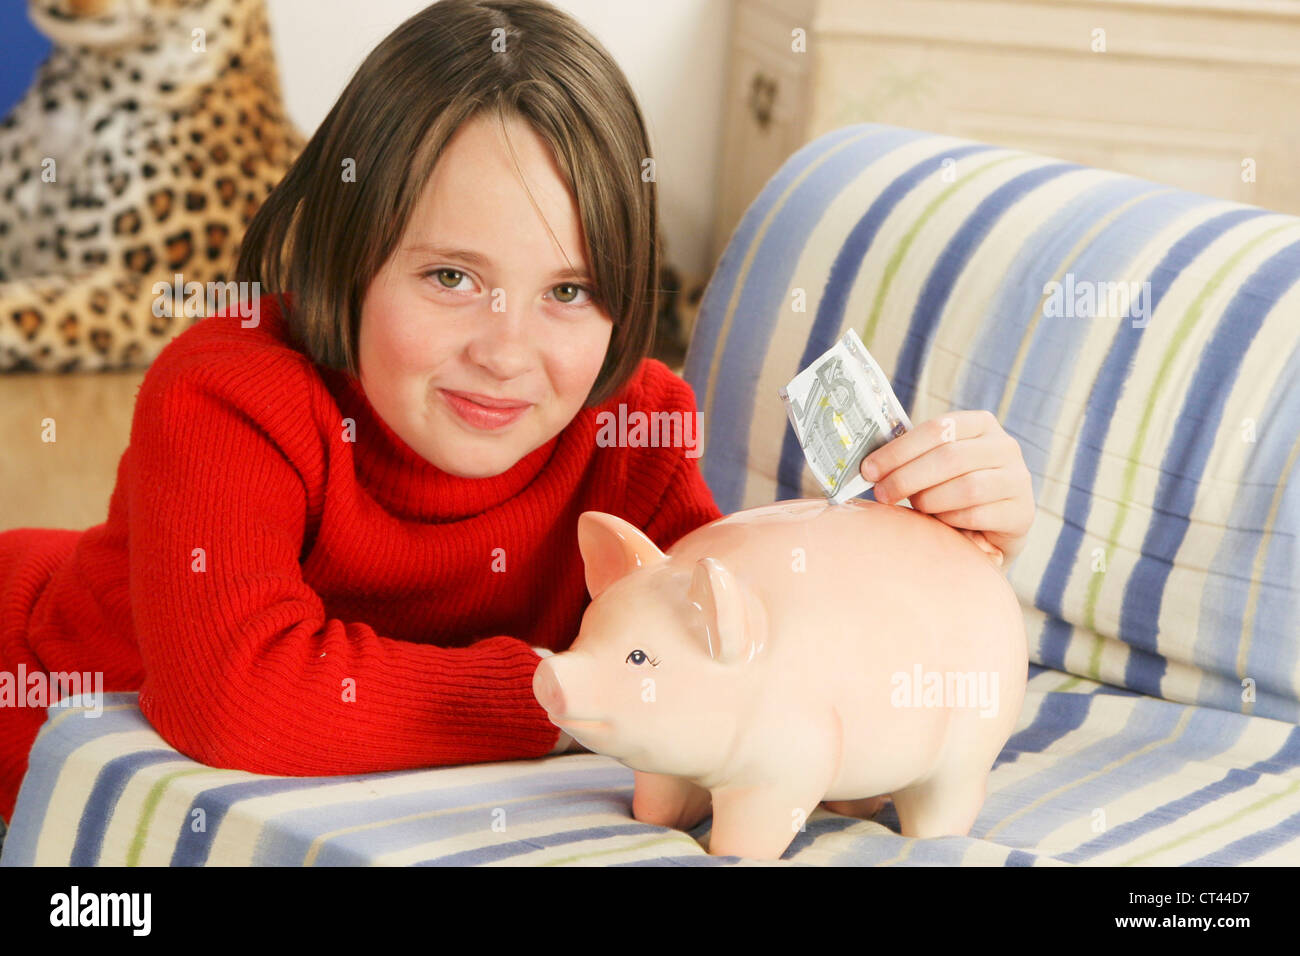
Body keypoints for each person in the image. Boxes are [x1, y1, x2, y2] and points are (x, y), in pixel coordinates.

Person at [0, 0, 1034, 839]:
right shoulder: (228, 394)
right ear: (345, 252)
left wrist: (947, 549)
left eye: (570, 290)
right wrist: (565, 696)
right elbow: (238, 695)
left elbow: (753, 701)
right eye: (452, 275)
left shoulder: (635, 428)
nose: (505, 350)